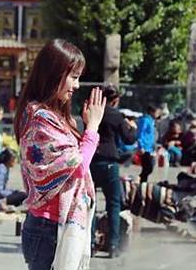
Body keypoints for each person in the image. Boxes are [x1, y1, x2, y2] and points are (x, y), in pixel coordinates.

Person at [14, 39, 106, 270]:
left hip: (51, 226)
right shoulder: (41, 118)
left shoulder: (50, 116)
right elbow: (76, 166)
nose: (76, 85)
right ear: (54, 74)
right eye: (73, 77)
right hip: (48, 228)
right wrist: (92, 129)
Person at [90, 85, 136, 258]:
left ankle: (91, 244)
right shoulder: (116, 115)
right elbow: (129, 138)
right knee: (114, 205)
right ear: (115, 101)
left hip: (91, 161)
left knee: (91, 205)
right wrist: (132, 127)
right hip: (110, 163)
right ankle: (113, 245)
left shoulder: (89, 110)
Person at [137, 105, 159, 182]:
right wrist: (141, 146)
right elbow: (140, 133)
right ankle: (139, 180)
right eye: (157, 112)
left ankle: (142, 182)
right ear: (151, 112)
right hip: (145, 147)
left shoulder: (151, 121)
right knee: (147, 167)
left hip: (150, 148)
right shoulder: (145, 120)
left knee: (149, 167)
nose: (158, 114)